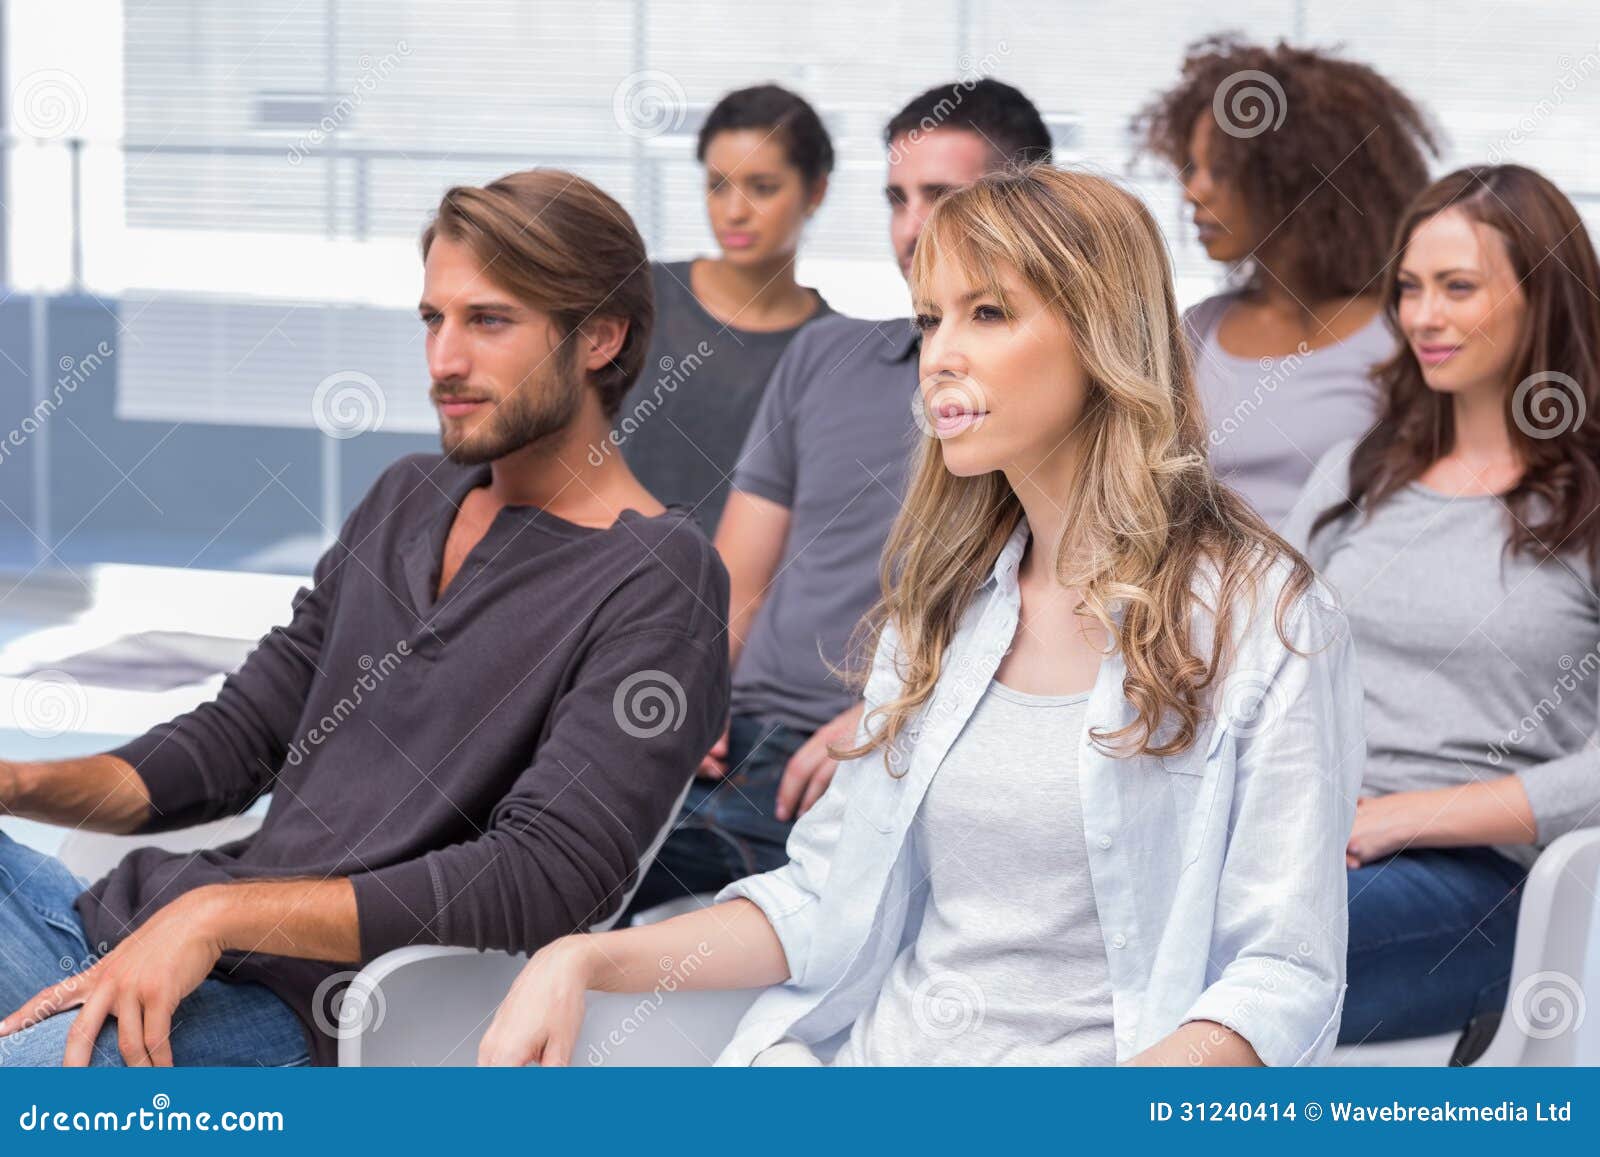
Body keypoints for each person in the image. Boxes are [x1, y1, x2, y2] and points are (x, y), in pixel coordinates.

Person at [478, 166, 1365, 1068]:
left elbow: (1282, 976)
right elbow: (823, 895)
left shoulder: (1270, 620)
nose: (939, 354)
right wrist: (580, 958)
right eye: (929, 319)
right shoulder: (944, 607)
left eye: (988, 313)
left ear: (1104, 337)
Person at [0, 170, 729, 1067]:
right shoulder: (406, 498)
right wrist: (16, 780)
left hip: (304, 1009)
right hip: (119, 930)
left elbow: (548, 874)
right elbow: (235, 741)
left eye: (488, 320)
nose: (443, 360)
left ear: (600, 337)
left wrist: (219, 914)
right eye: (433, 319)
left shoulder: (659, 578)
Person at [623, 78, 1053, 918]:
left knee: (571, 906)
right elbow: (737, 578)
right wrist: (692, 694)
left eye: (942, 197)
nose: (912, 227)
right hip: (721, 744)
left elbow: (1050, 625)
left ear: (1028, 209)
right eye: (898, 198)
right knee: (509, 850)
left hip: (859, 764)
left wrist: (887, 720)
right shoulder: (824, 355)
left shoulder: (1047, 398)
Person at [1280, 164, 1600, 1052]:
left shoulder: (1587, 505)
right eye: (1410, 288)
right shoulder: (1357, 472)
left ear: (1545, 296)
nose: (1423, 315)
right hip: (1307, 838)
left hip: (1484, 882)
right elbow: (1260, 662)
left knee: (1240, 951)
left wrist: (1407, 815)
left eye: (1458, 287)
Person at [1134, 35, 1438, 526]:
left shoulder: (1402, 334)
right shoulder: (1198, 330)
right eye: (1191, 168)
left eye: (1221, 171)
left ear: (1298, 178)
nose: (1193, 191)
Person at [611, 84, 834, 534]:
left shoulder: (831, 350)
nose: (734, 212)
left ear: (815, 191)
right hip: (609, 561)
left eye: (762, 188)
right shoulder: (637, 296)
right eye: (718, 186)